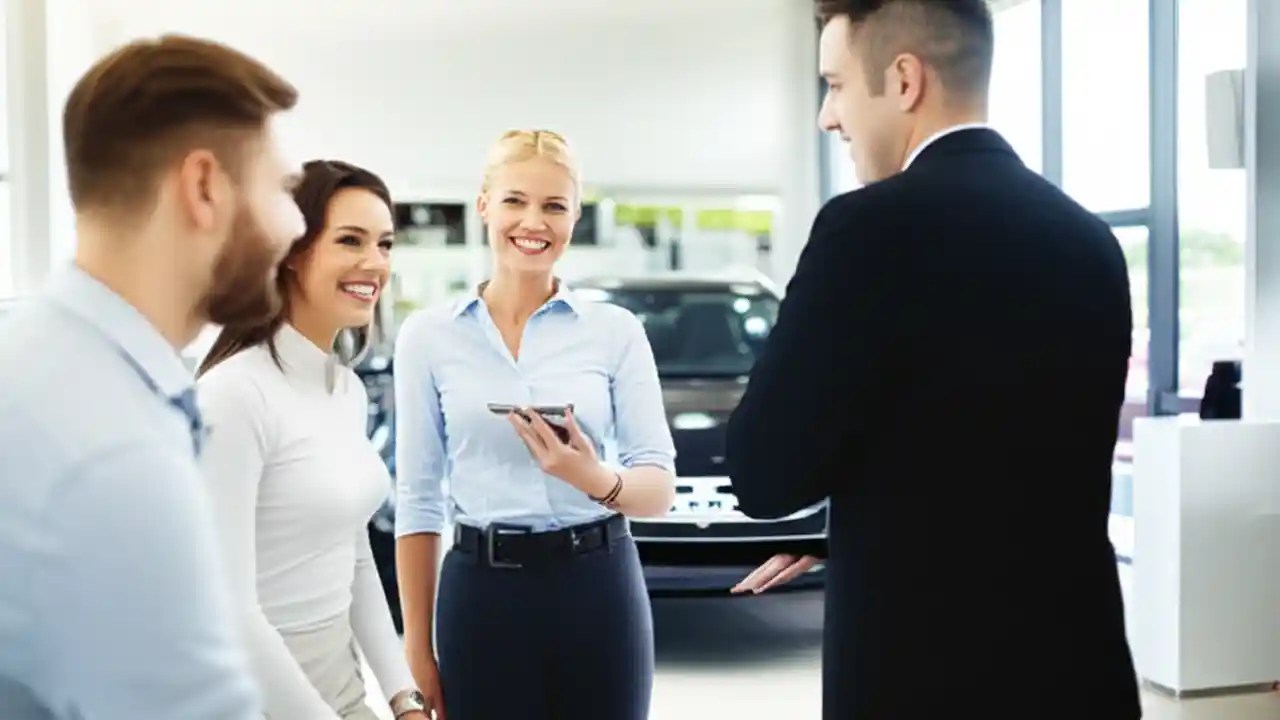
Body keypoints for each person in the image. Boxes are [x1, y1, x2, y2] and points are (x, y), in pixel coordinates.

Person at [725, 1, 1142, 718]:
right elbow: (1012, 460)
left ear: (905, 80)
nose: (829, 116)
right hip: (1081, 669)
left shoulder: (866, 230)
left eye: (837, 85)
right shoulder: (1088, 240)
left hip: (922, 676)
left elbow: (765, 474)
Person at [0, 35, 302, 719]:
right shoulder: (112, 458)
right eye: (283, 189)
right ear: (204, 187)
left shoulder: (39, 362)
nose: (297, 224)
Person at [394, 129, 677, 720]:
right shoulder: (428, 335)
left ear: (575, 215)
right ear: (484, 205)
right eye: (515, 201)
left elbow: (659, 489)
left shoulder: (615, 330)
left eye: (554, 206)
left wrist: (593, 476)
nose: (534, 221)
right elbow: (418, 501)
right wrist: (414, 651)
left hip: (599, 587)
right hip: (482, 594)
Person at [195, 160, 428, 720]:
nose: (375, 263)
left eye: (386, 243)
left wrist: (404, 697)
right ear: (292, 252)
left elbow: (353, 557)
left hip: (338, 685)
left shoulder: (345, 390)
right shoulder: (232, 396)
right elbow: (227, 607)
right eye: (351, 240)